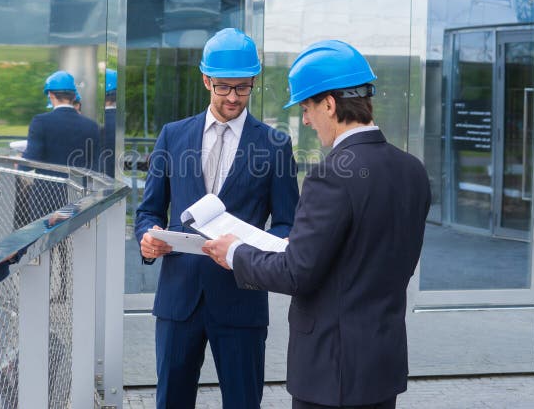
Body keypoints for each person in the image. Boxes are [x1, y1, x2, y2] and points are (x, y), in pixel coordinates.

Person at [203, 40, 431, 409]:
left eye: (307, 107)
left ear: (330, 104)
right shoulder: (412, 171)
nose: (306, 120)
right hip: (381, 364)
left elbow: (296, 273)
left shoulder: (331, 176)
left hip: (331, 369)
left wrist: (233, 252)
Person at [135, 28, 299, 409]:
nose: (233, 98)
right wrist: (148, 238)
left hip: (241, 297)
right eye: (223, 87)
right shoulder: (172, 136)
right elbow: (148, 211)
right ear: (206, 79)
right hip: (179, 299)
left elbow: (288, 223)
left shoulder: (274, 144)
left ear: (253, 82)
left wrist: (248, 250)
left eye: (242, 88)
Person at [23, 70, 100, 220]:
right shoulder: (91, 126)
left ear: (50, 94)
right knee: (76, 239)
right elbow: (95, 164)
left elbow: (30, 160)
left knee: (45, 239)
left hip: (46, 195)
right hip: (79, 195)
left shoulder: (41, 122)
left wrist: (19, 163)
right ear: (73, 96)